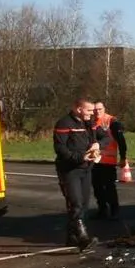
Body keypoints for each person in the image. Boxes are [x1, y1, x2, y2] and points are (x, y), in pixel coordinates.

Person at [53, 97, 100, 250]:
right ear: (78, 109)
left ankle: (72, 237)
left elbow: (104, 136)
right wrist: (80, 157)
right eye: (89, 110)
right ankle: (82, 238)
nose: (92, 113)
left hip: (86, 169)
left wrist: (97, 145)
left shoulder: (89, 123)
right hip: (69, 169)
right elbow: (60, 149)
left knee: (84, 204)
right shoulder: (64, 123)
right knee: (76, 203)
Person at [91, 100, 128, 219]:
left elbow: (121, 141)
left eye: (99, 109)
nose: (97, 112)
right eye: (95, 110)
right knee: (97, 187)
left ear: (104, 109)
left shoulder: (111, 121)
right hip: (95, 161)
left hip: (108, 161)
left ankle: (114, 210)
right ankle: (102, 210)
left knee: (109, 187)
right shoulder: (91, 122)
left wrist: (123, 158)